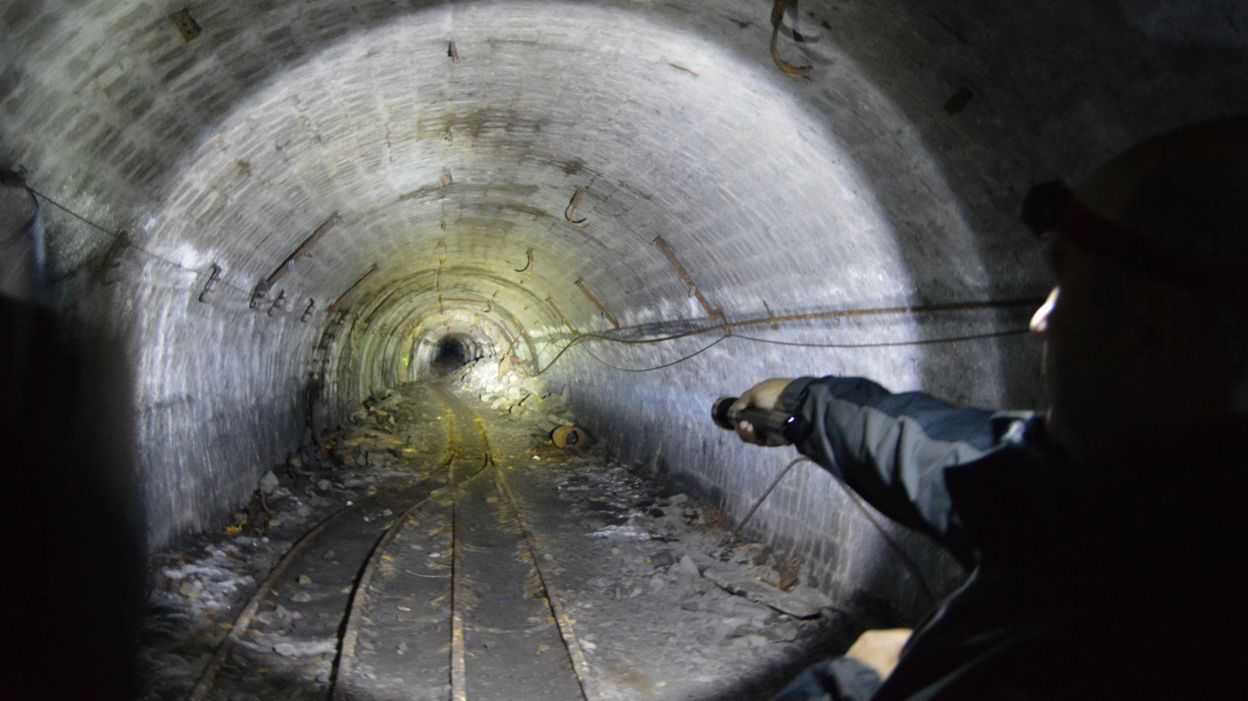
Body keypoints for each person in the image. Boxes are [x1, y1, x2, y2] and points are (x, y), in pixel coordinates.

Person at [731, 117, 1248, 699]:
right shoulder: (1142, 503)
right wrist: (805, 404)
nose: (1041, 319)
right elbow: (979, 464)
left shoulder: (1123, 643)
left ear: (1152, 333)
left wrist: (862, 685)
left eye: (1065, 285)